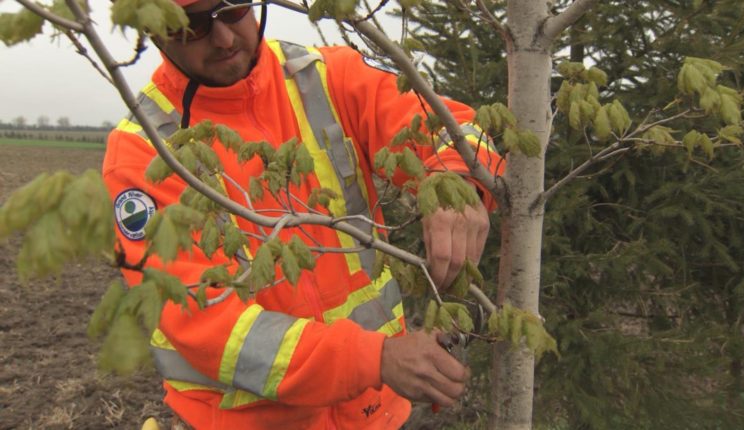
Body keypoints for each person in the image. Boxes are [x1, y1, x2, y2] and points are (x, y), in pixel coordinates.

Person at [103, 0, 502, 428]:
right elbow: (208, 325)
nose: (222, 38)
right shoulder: (144, 153)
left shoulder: (324, 78)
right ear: (153, 32)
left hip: (371, 415)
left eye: (233, 10)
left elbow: (452, 127)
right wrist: (374, 358)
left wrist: (457, 182)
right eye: (192, 26)